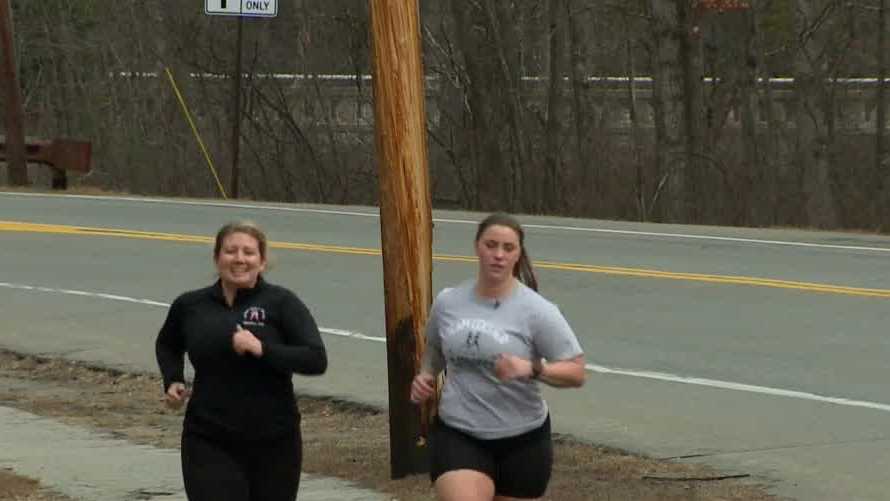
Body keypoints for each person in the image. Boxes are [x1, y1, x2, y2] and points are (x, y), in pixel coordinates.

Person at [410, 212, 586, 501]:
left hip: (523, 438)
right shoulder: (448, 301)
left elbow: (577, 372)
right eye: (491, 245)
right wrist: (426, 374)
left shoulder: (538, 310)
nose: (498, 255)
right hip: (459, 431)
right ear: (477, 247)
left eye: (508, 248)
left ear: (518, 254)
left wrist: (531, 368)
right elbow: (435, 349)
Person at [155, 221, 327, 501]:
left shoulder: (281, 303)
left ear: (262, 261)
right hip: (209, 436)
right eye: (230, 251)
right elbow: (168, 343)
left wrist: (262, 348)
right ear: (217, 257)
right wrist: (173, 378)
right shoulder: (191, 306)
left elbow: (316, 359)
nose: (239, 259)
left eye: (249, 252)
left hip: (274, 440)